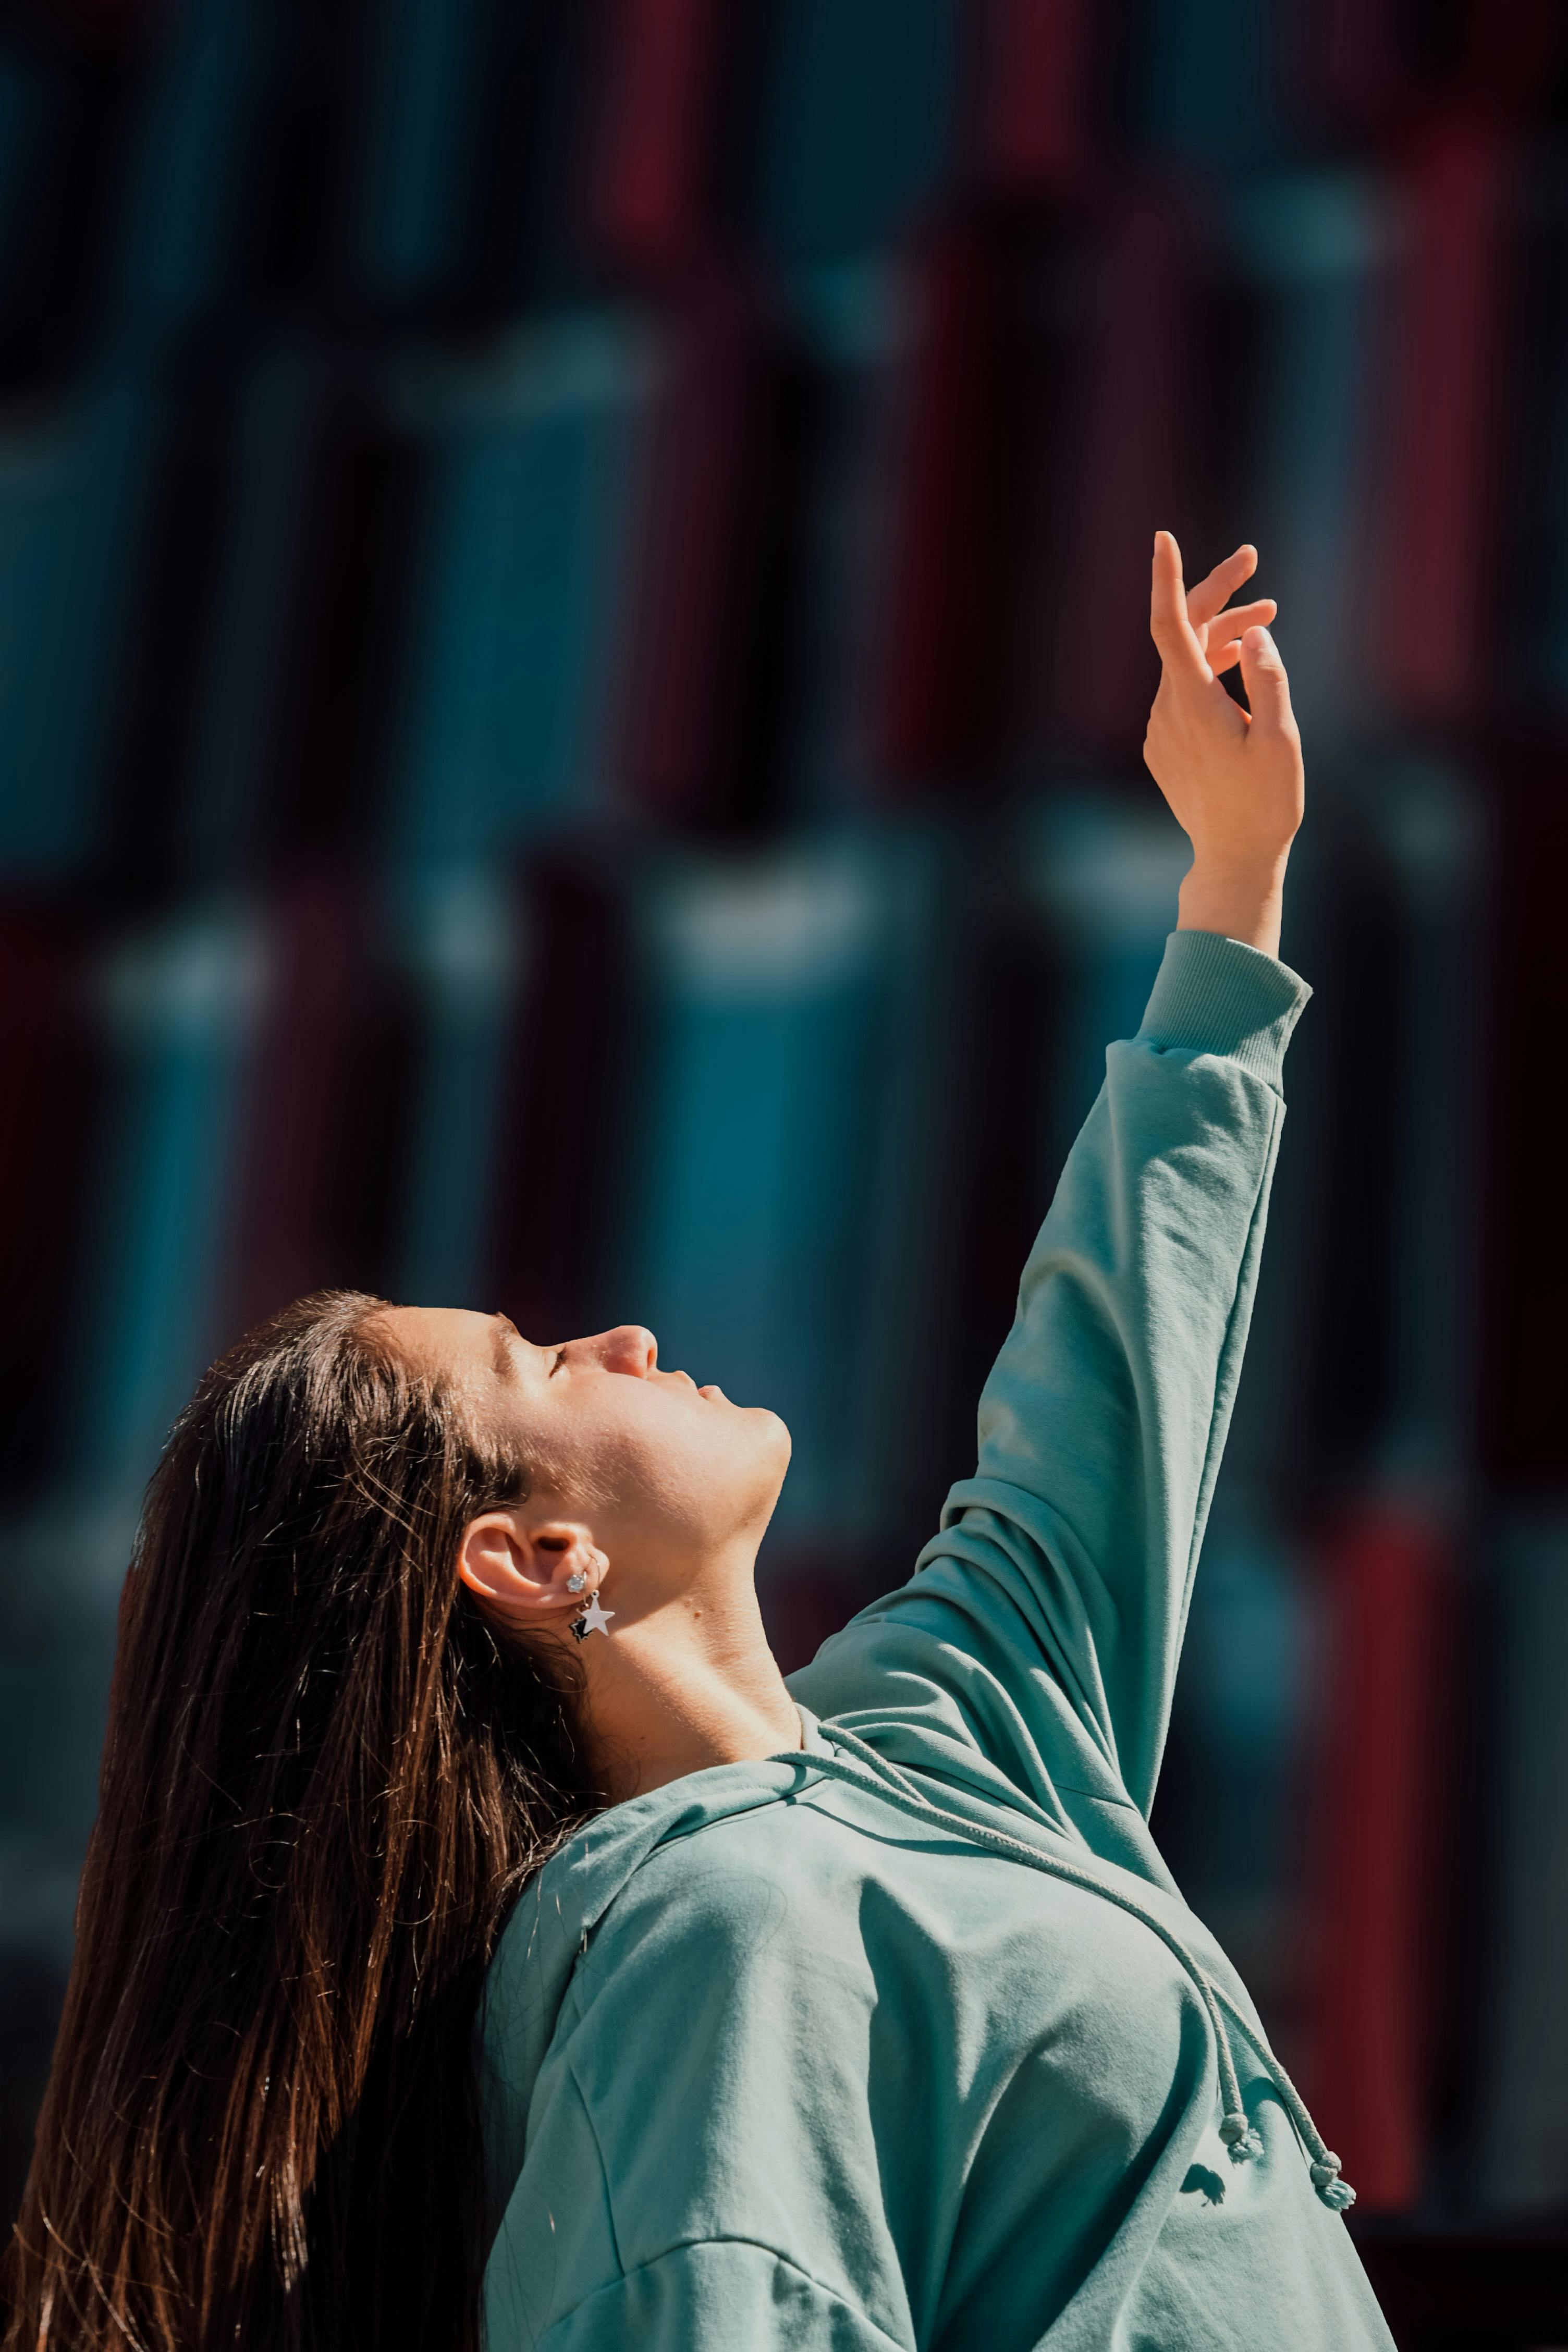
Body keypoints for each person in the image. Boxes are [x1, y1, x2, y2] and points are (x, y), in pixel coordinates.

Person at [4, 536, 1394, 2351]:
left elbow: (1110, 1382)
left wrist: (1234, 882)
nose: (626, 1335)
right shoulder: (705, 1941)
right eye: (541, 1364)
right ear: (532, 1559)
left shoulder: (943, 1739)